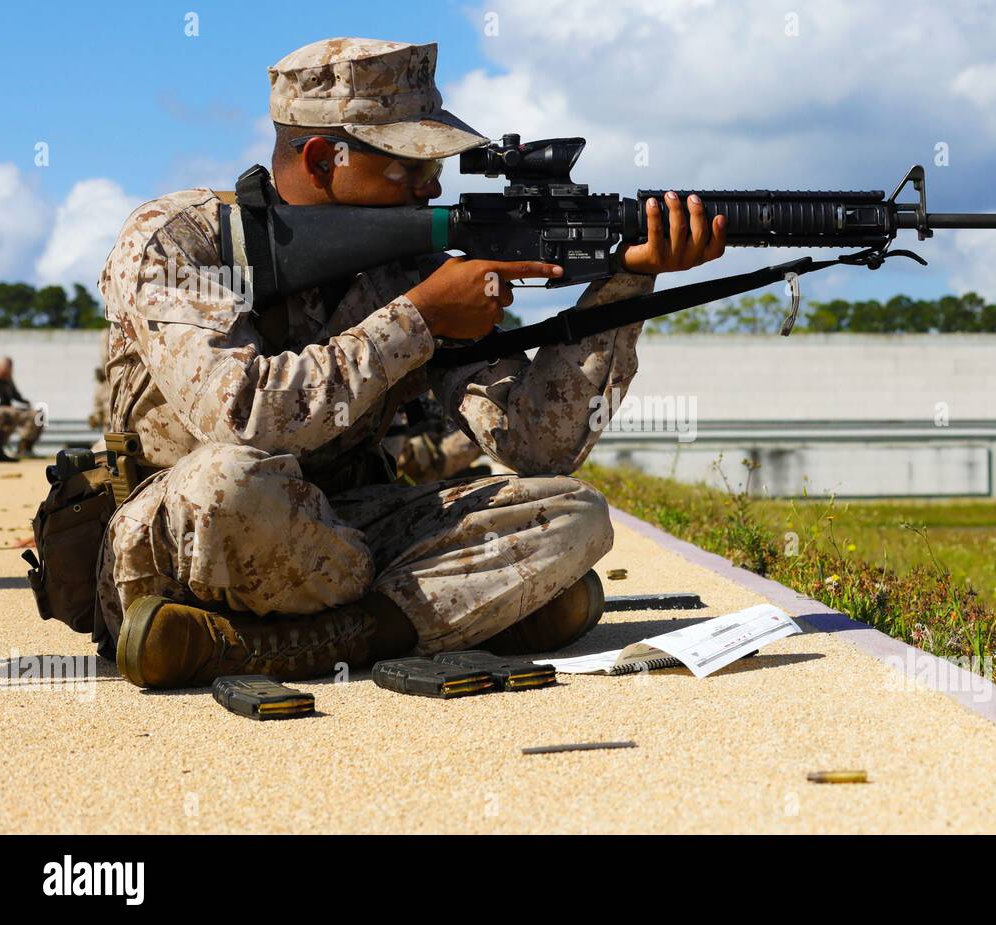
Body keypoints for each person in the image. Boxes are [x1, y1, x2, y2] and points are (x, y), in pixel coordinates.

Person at [97, 37, 725, 688]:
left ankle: (270, 645)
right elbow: (246, 416)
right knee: (230, 478)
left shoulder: (410, 266)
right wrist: (419, 318)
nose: (433, 184)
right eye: (408, 162)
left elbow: (537, 443)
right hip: (186, 547)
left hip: (346, 530)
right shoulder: (178, 241)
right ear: (321, 157)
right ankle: (435, 615)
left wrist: (624, 283)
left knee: (573, 514)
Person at [0, 357, 43, 461]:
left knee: (37, 415)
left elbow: (15, 395)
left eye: (8, 373)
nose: (7, 376)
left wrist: (25, 402)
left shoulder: (8, 379)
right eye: (4, 373)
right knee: (11, 412)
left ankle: (24, 448)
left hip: (9, 412)